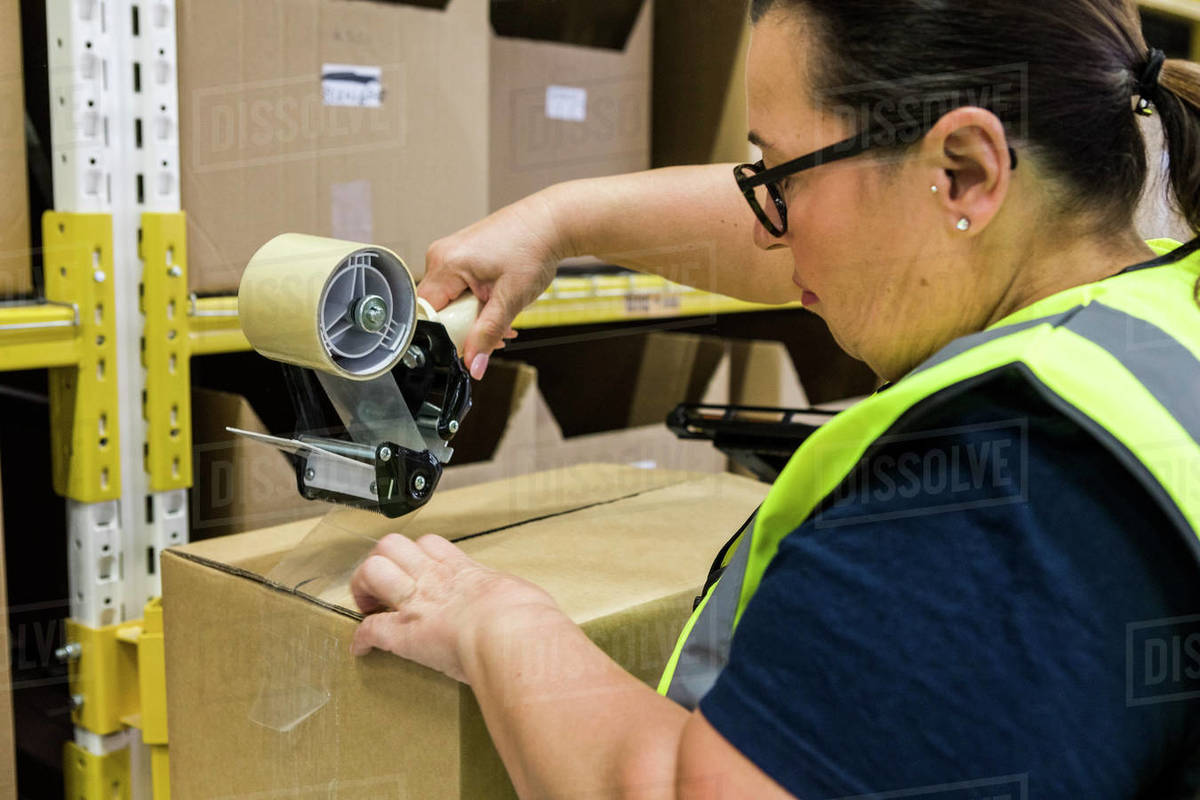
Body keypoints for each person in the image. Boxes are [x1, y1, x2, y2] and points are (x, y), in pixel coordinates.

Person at [348, 1, 1200, 796]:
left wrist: (498, 621)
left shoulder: (993, 495)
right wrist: (559, 221)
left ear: (968, 172)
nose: (764, 225)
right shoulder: (1158, 305)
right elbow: (861, 215)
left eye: (779, 177)